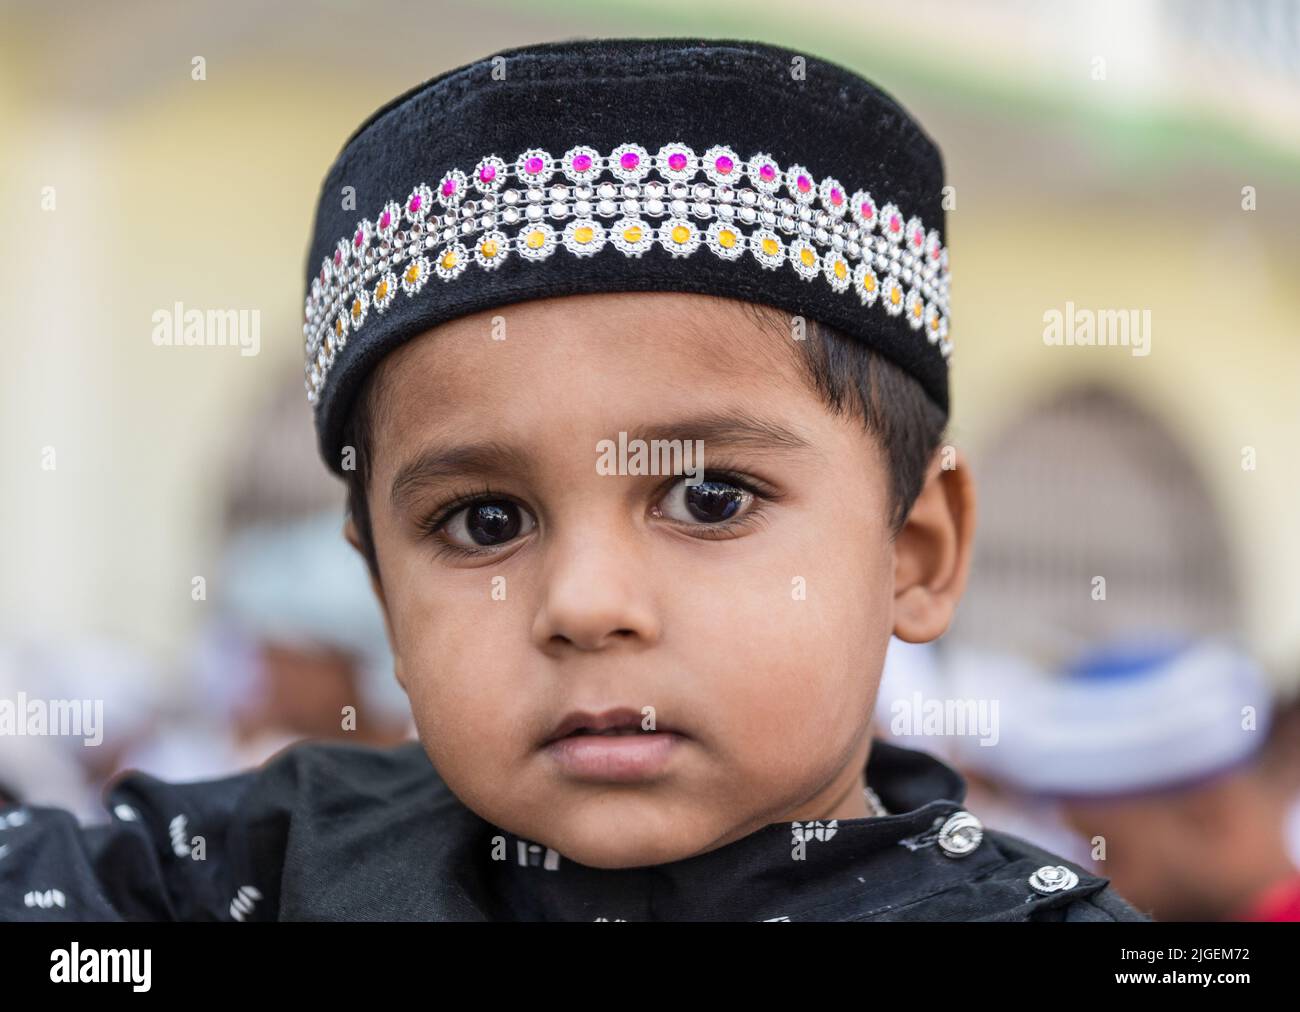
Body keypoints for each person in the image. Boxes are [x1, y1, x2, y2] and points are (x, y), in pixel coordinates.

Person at [0, 37, 1147, 921]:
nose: (584, 603)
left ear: (916, 548)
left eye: (709, 497)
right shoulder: (252, 871)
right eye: (483, 520)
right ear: (387, 598)